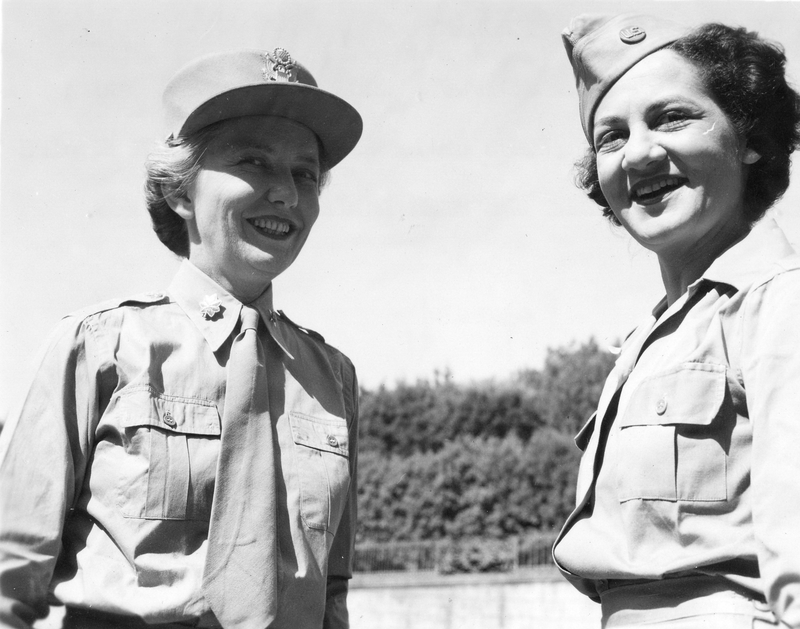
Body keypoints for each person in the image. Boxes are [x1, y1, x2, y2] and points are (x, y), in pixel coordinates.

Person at [0, 47, 362, 629]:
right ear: (180, 192)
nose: (288, 195)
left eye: (305, 174)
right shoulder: (99, 345)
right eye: (253, 162)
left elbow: (332, 592)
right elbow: (7, 576)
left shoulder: (331, 377)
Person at [553, 13, 800, 629]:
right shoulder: (654, 338)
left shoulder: (779, 304)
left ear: (749, 137)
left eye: (672, 117)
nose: (638, 151)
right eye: (611, 136)